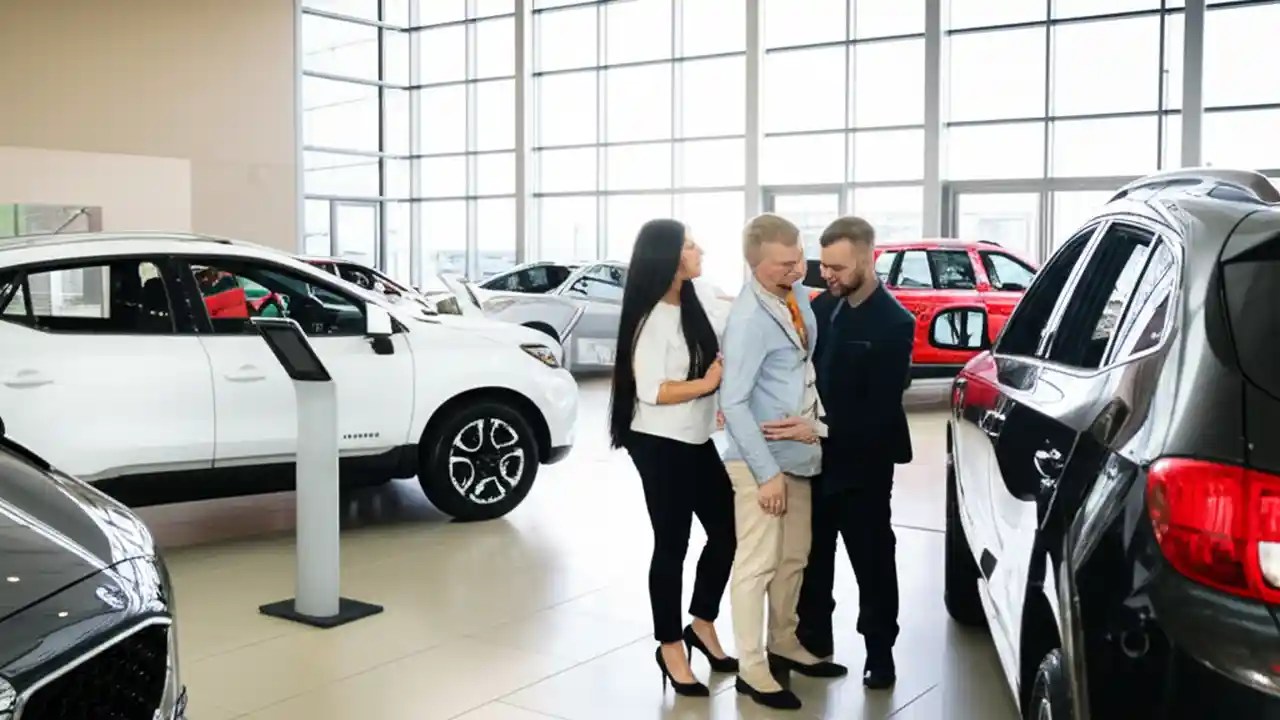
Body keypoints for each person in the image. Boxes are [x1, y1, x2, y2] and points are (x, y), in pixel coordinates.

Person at [720, 213, 848, 712]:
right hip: (760, 463)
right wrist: (765, 474)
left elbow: (800, 367)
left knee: (795, 557)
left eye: (800, 256)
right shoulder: (749, 319)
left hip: (799, 452)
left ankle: (784, 642)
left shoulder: (794, 294)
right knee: (757, 564)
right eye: (786, 262)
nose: (800, 267)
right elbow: (733, 403)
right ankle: (752, 667)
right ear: (756, 264)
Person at [608, 218, 738, 697]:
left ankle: (701, 623)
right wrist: (707, 386)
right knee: (672, 545)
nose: (699, 249)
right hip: (659, 443)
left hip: (695, 437)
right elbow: (652, 389)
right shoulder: (650, 318)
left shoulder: (694, 301)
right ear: (669, 257)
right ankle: (670, 646)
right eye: (689, 245)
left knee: (727, 531)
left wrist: (713, 403)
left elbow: (728, 330)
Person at [784, 215, 914, 690]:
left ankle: (880, 651)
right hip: (815, 460)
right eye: (825, 266)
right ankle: (815, 639)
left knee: (872, 559)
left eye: (837, 267)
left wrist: (817, 427)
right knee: (814, 555)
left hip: (864, 462)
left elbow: (878, 408)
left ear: (867, 258)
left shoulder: (894, 323)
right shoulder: (821, 308)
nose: (828, 275)